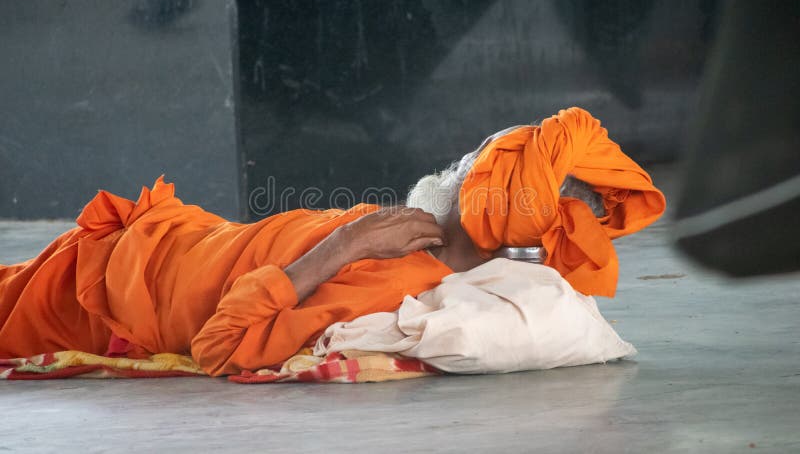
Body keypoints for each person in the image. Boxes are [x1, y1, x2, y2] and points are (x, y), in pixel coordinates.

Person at [0, 107, 665, 376]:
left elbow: (219, 348)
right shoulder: (410, 235)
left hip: (93, 292)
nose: (456, 161)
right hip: (140, 247)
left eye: (471, 161)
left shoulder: (391, 274)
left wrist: (342, 245)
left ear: (482, 196)